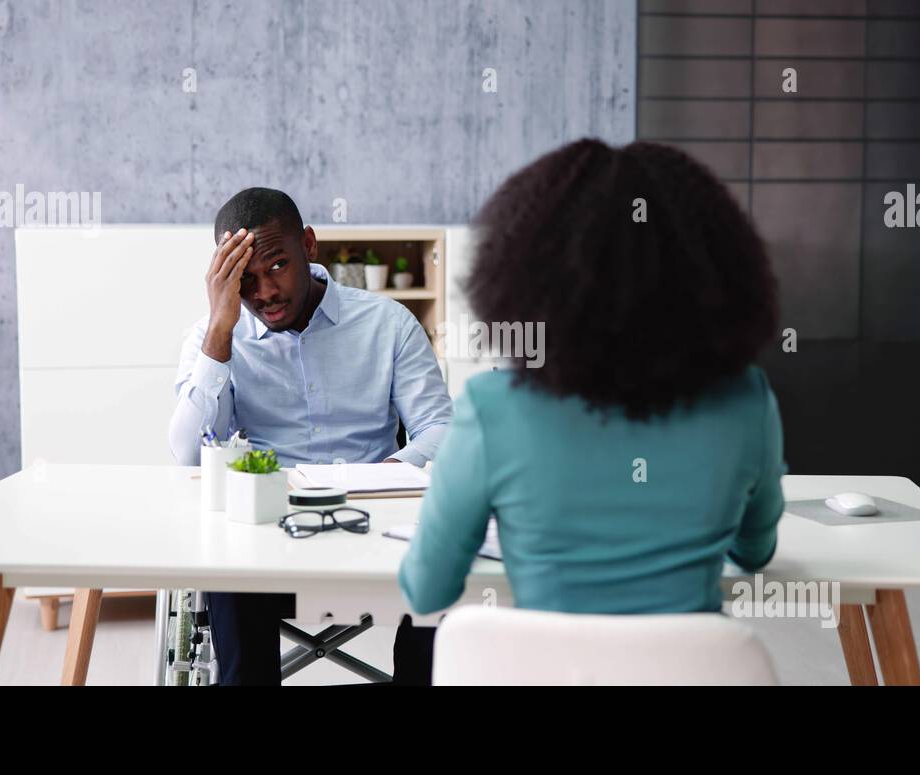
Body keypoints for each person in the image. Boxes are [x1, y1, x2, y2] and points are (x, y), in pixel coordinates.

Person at [400, 139, 787, 630]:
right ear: (718, 271)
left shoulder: (490, 407)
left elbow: (428, 588)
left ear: (525, 274)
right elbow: (755, 552)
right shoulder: (745, 400)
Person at [169, 187, 452, 685]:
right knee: (227, 576)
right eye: (244, 278)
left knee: (446, 576)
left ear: (310, 245)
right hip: (263, 551)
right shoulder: (214, 335)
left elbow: (440, 430)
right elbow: (190, 456)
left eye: (276, 265)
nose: (265, 293)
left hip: (377, 540)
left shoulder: (388, 325)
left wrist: (376, 475)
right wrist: (220, 330)